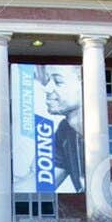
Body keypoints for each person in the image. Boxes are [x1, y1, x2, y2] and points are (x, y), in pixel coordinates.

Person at [37, 65, 85, 193]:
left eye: (58, 81)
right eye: (47, 81)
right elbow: (41, 183)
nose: (47, 89)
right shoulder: (65, 131)